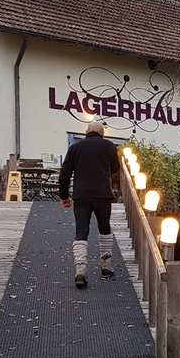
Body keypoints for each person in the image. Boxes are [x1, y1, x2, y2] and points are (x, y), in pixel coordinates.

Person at [58, 121, 120, 289]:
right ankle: (106, 267)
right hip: (102, 195)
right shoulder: (109, 147)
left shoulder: (75, 148)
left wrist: (64, 195)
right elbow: (115, 169)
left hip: (81, 195)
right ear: (102, 133)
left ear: (86, 132)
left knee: (81, 231)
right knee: (104, 228)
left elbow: (64, 174)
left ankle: (80, 270)